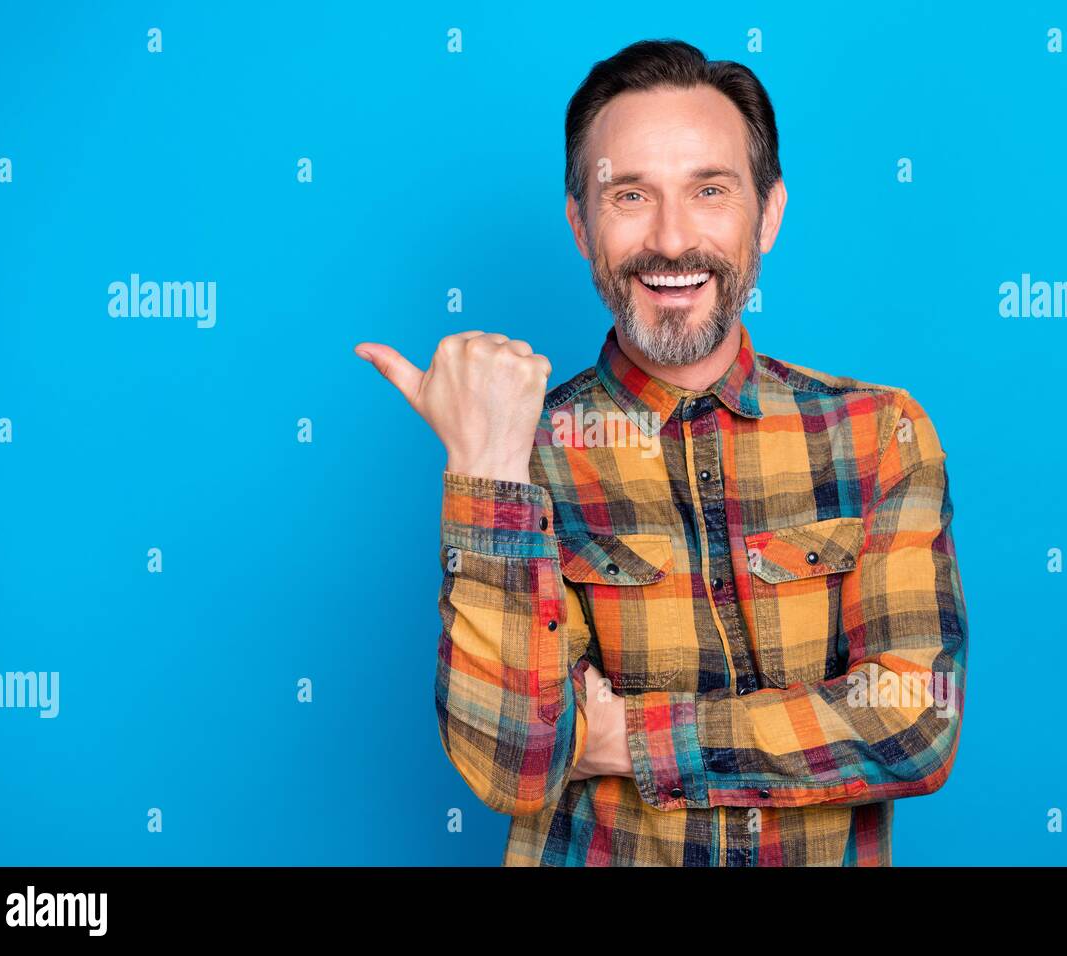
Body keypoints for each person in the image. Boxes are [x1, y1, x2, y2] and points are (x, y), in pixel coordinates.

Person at [356, 38, 968, 866]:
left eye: (710, 190)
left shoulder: (878, 433)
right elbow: (514, 765)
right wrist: (489, 471)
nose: (672, 241)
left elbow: (911, 728)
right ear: (581, 225)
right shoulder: (516, 450)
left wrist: (627, 736)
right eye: (630, 195)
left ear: (769, 214)